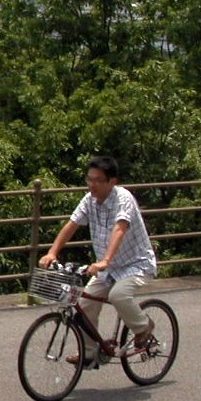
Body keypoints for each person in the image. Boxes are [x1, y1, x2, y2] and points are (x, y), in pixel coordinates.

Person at [39, 156, 158, 365]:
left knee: (118, 295)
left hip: (136, 264)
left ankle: (143, 326)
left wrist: (105, 260)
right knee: (84, 304)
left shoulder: (123, 198)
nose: (92, 184)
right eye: (89, 179)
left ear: (112, 181)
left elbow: (120, 228)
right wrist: (52, 252)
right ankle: (90, 353)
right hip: (107, 269)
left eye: (98, 180)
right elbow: (72, 224)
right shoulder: (89, 200)